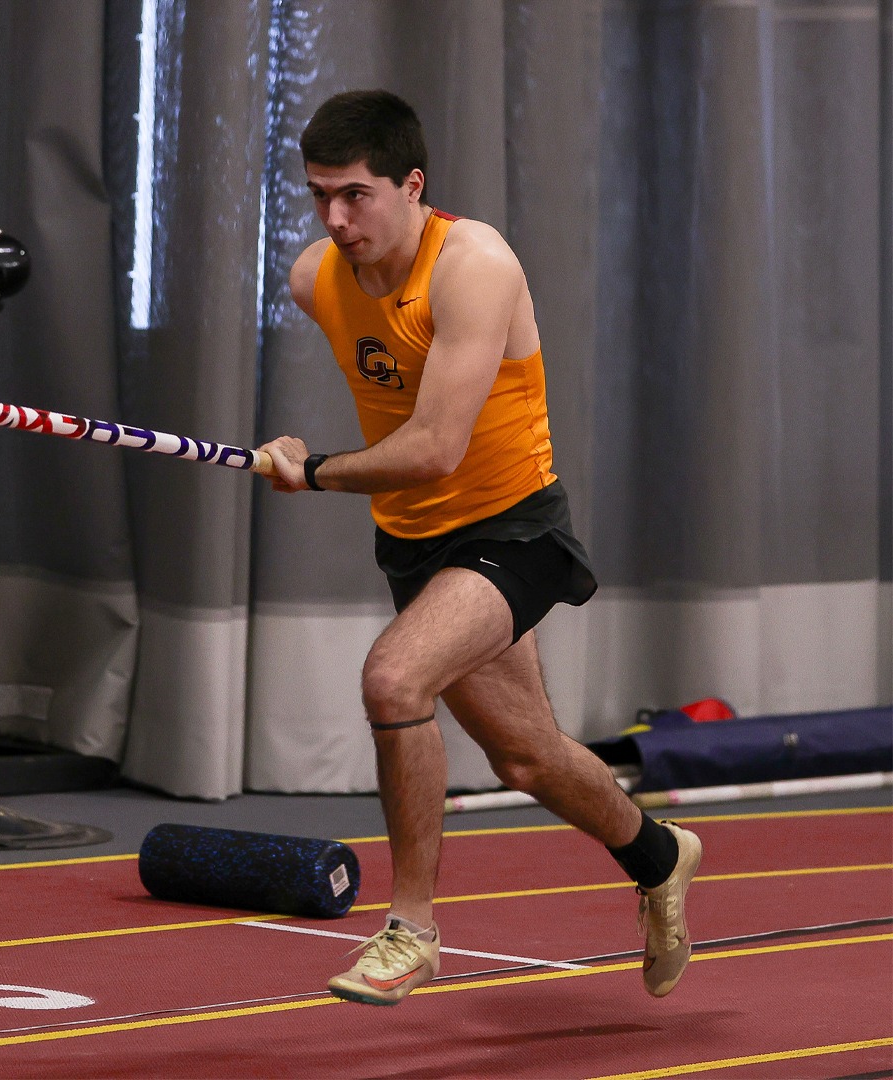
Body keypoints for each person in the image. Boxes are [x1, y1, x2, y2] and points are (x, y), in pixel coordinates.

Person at [258, 90, 701, 1006]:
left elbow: (434, 448)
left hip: (513, 529)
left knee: (394, 680)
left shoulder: (475, 265)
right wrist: (302, 459)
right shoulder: (314, 278)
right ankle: (661, 858)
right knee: (527, 758)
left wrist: (313, 470)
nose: (335, 219)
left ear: (412, 185)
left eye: (355, 195)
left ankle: (411, 930)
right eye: (319, 196)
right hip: (414, 544)